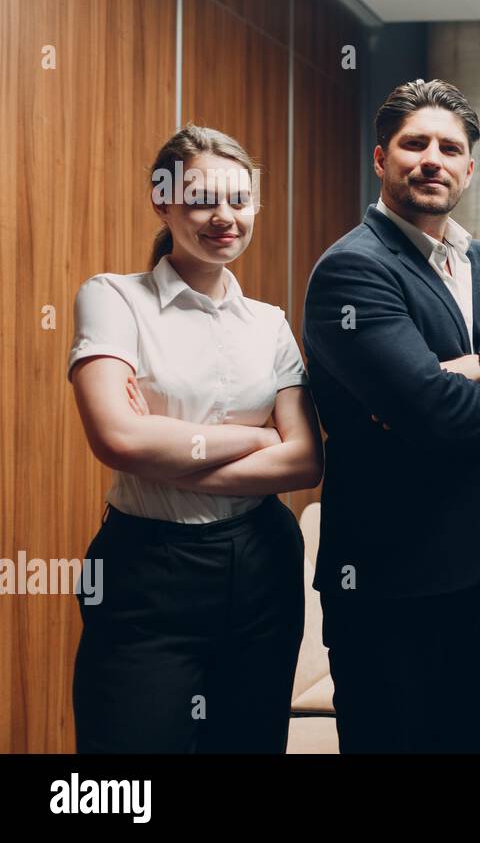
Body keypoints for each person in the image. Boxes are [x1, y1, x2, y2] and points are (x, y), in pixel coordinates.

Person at [302, 78, 480, 753]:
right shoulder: (353, 271)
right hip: (391, 576)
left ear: (470, 169)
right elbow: (429, 413)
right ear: (382, 157)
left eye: (449, 148)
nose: (432, 160)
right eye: (415, 144)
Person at [67, 125, 322, 753]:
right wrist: (254, 438)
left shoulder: (269, 323)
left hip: (262, 561)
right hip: (147, 567)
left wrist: (172, 448)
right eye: (203, 198)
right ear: (163, 201)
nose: (224, 217)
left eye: (239, 200)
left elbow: (306, 460)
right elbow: (118, 441)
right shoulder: (113, 298)